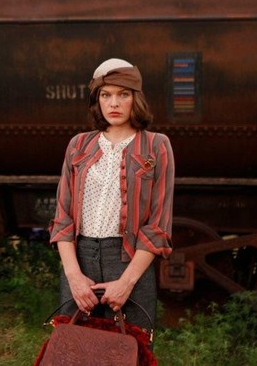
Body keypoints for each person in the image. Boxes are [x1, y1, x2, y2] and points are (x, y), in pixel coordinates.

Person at [49, 58, 174, 332]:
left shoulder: (156, 146)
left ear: (135, 98)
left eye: (123, 95)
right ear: (98, 100)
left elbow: (158, 226)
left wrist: (126, 282)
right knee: (74, 347)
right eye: (106, 95)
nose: (114, 103)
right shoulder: (78, 144)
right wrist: (74, 277)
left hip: (129, 261)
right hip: (80, 260)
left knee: (129, 347)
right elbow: (62, 219)